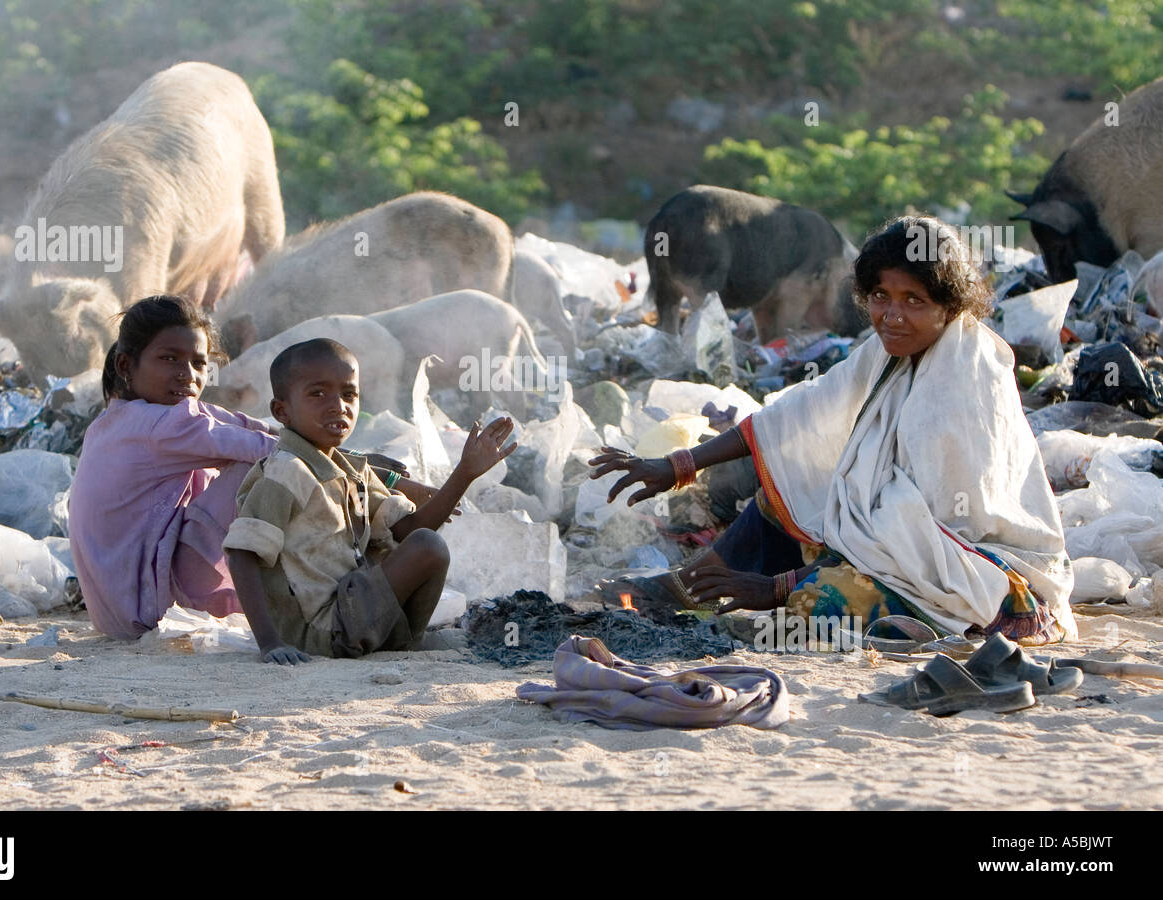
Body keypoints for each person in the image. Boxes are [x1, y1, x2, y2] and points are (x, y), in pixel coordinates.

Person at [589, 217, 1076, 644]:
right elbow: (801, 413)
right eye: (882, 296)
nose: (892, 314)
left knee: (816, 603)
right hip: (900, 548)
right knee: (785, 485)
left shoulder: (964, 383)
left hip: (979, 579)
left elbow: (925, 542)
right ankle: (693, 584)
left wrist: (780, 587)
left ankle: (756, 592)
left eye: (914, 300)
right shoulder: (891, 349)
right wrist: (679, 464)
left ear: (950, 306)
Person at [69, 296, 431, 640]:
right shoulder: (160, 425)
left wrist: (352, 458)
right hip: (148, 611)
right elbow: (274, 448)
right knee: (272, 467)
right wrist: (376, 475)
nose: (188, 375)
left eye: (198, 363)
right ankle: (319, 586)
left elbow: (254, 428)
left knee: (281, 459)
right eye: (169, 359)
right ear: (125, 366)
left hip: (117, 613)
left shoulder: (129, 418)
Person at [223, 338, 517, 663]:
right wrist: (270, 643)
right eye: (318, 394)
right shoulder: (285, 472)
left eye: (349, 394)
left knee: (428, 545)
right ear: (282, 411)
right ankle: (403, 641)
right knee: (425, 545)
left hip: (353, 610)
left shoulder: (353, 470)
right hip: (318, 630)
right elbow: (241, 554)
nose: (339, 406)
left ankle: (405, 640)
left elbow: (413, 529)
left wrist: (464, 473)